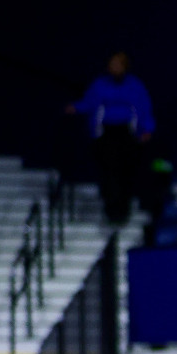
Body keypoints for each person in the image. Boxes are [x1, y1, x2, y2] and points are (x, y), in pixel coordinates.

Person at [68, 51, 152, 224]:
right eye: (113, 64)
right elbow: (89, 103)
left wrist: (147, 128)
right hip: (105, 135)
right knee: (109, 172)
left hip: (127, 135)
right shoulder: (100, 84)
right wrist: (75, 108)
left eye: (119, 64)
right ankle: (111, 211)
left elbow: (144, 108)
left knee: (125, 173)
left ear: (125, 67)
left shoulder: (134, 85)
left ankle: (123, 211)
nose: (115, 68)